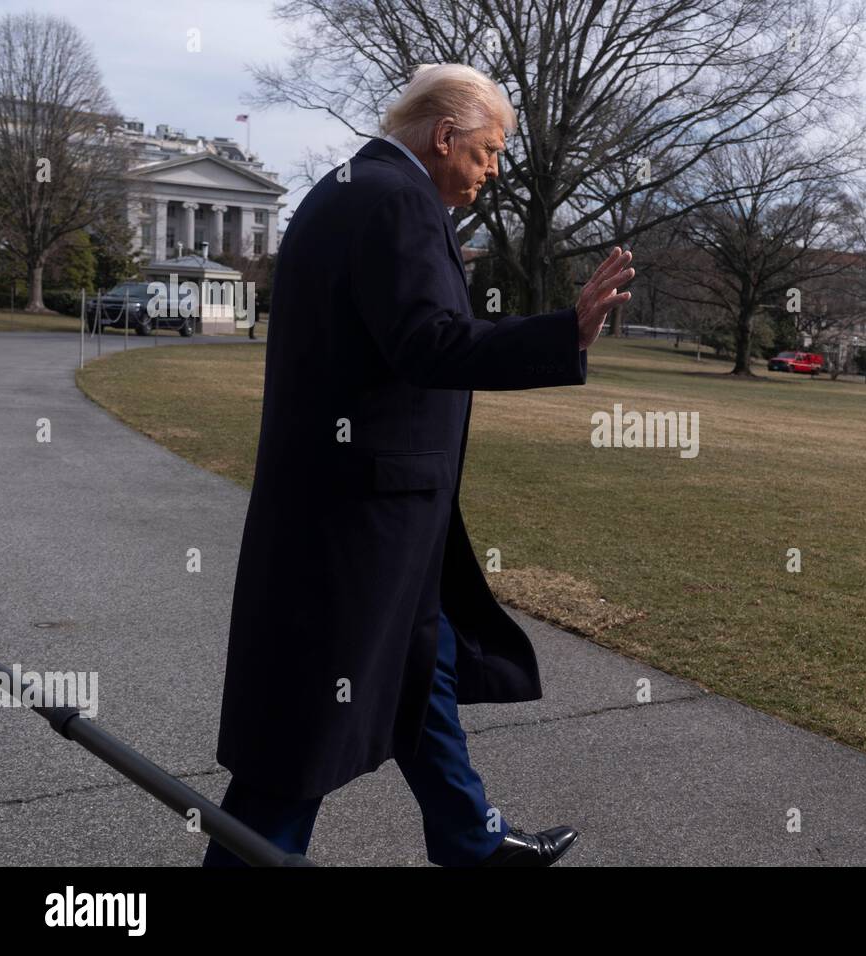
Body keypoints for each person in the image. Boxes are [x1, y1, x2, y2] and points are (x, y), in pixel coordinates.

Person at [204, 62, 634, 867]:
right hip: (360, 521)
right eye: (487, 152)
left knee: (419, 675)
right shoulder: (399, 200)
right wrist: (564, 334)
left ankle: (472, 841)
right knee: (301, 739)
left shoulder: (343, 187)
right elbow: (427, 342)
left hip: (375, 508)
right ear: (444, 135)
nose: (493, 171)